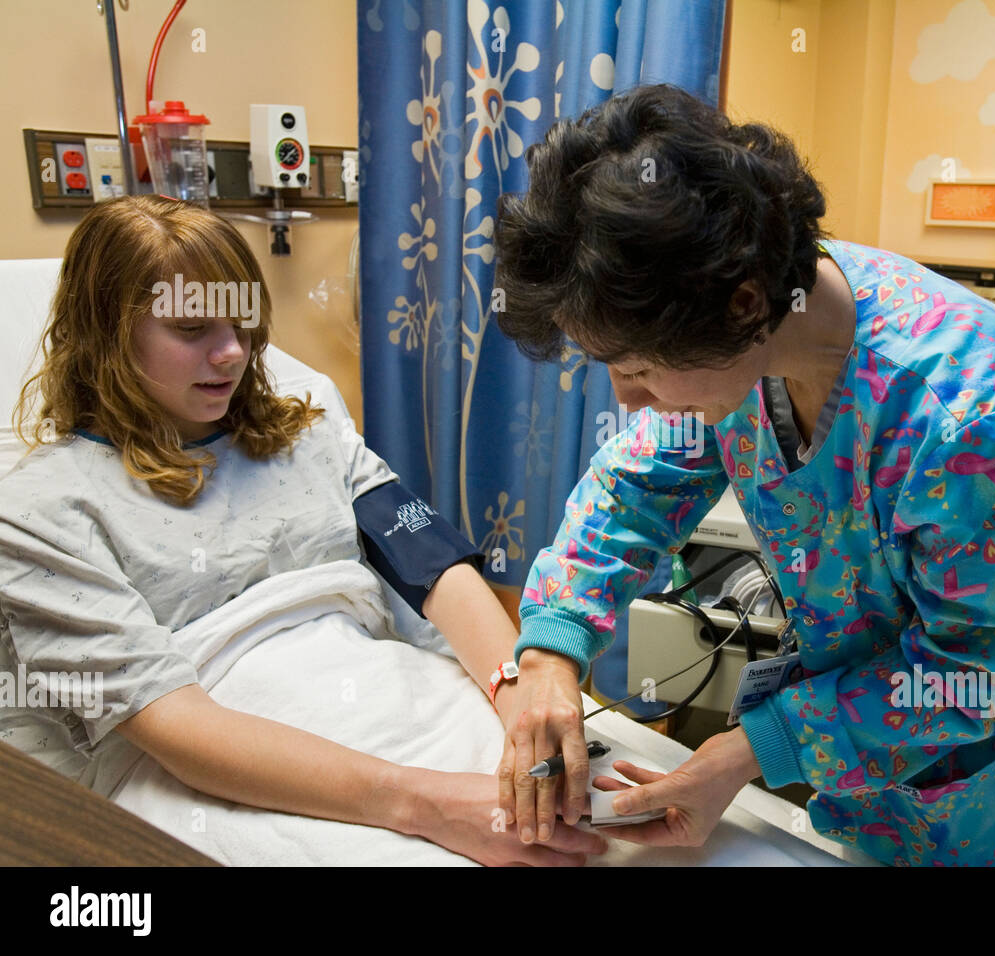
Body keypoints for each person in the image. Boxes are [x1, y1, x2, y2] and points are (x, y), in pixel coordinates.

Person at [490, 84, 995, 865]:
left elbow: (982, 673)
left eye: (641, 368)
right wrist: (553, 649)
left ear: (743, 305)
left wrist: (745, 752)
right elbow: (634, 488)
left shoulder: (978, 415)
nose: (627, 397)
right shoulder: (755, 338)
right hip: (865, 774)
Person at [0, 195, 606, 867]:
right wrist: (430, 805)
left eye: (243, 320)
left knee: (592, 815)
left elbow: (436, 567)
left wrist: (517, 701)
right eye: (192, 327)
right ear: (107, 336)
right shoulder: (42, 510)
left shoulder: (310, 438)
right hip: (219, 766)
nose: (232, 352)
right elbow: (171, 726)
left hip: (391, 702)